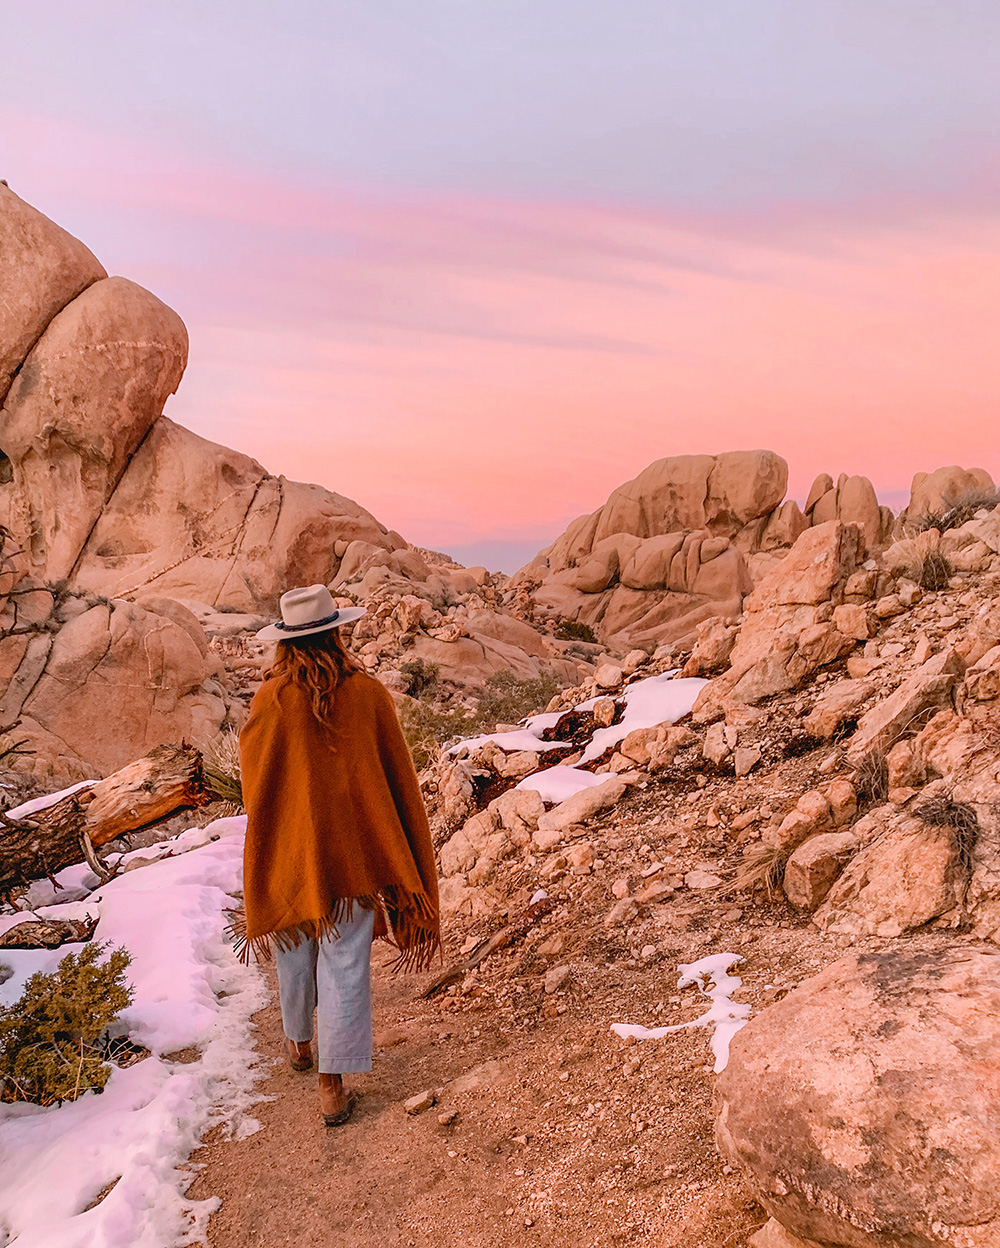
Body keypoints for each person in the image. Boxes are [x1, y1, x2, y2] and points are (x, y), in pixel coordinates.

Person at [237, 584, 441, 1126]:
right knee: (345, 958)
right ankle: (332, 1085)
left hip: (293, 850)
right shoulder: (368, 694)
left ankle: (299, 1043)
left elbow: (255, 785)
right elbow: (396, 780)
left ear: (284, 642)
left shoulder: (271, 700)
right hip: (353, 854)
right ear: (336, 633)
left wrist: (284, 827)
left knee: (294, 947)